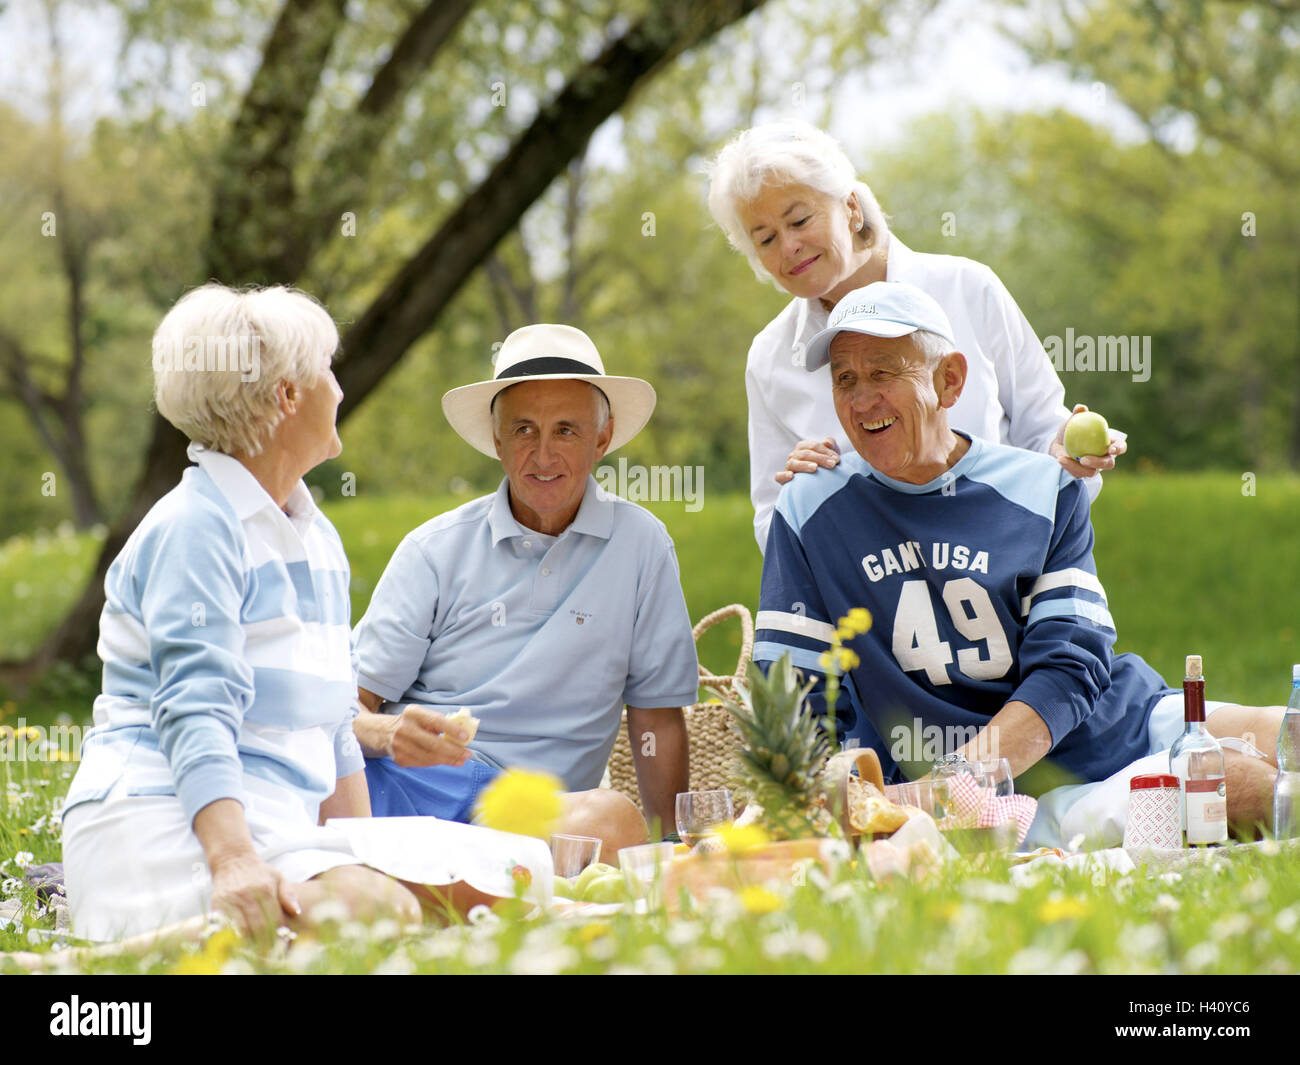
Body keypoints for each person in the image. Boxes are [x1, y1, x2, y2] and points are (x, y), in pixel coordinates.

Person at [752, 281, 1282, 848]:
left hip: (1113, 724)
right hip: (1031, 800)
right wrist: (841, 807)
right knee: (1244, 788)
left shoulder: (1042, 487)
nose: (860, 401)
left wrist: (955, 783)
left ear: (948, 380)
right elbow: (792, 695)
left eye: (883, 374)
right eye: (844, 379)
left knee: (1287, 735)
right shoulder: (809, 506)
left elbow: (1070, 667)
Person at [61, 284, 496, 943]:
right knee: (384, 911)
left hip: (278, 829)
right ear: (287, 394)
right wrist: (235, 862)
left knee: (491, 888)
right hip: (164, 823)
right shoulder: (197, 528)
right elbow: (194, 710)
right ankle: (154, 940)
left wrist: (368, 855)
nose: (340, 389)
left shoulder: (315, 536)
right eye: (326, 368)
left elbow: (334, 730)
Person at [352, 323, 698, 858]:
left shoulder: (641, 545)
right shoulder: (433, 550)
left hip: (535, 812)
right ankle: (457, 873)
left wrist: (672, 847)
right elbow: (346, 707)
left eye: (565, 430)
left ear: (601, 439)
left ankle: (446, 875)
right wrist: (389, 733)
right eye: (522, 431)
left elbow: (656, 715)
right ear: (496, 439)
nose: (541, 455)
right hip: (417, 783)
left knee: (612, 820)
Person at [706, 120, 1127, 551]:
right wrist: (803, 496)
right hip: (864, 603)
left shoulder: (968, 288)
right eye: (766, 239)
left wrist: (1070, 454)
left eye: (799, 220)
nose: (788, 247)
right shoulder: (769, 357)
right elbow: (771, 525)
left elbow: (1043, 434)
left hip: (1001, 578)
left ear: (851, 207)